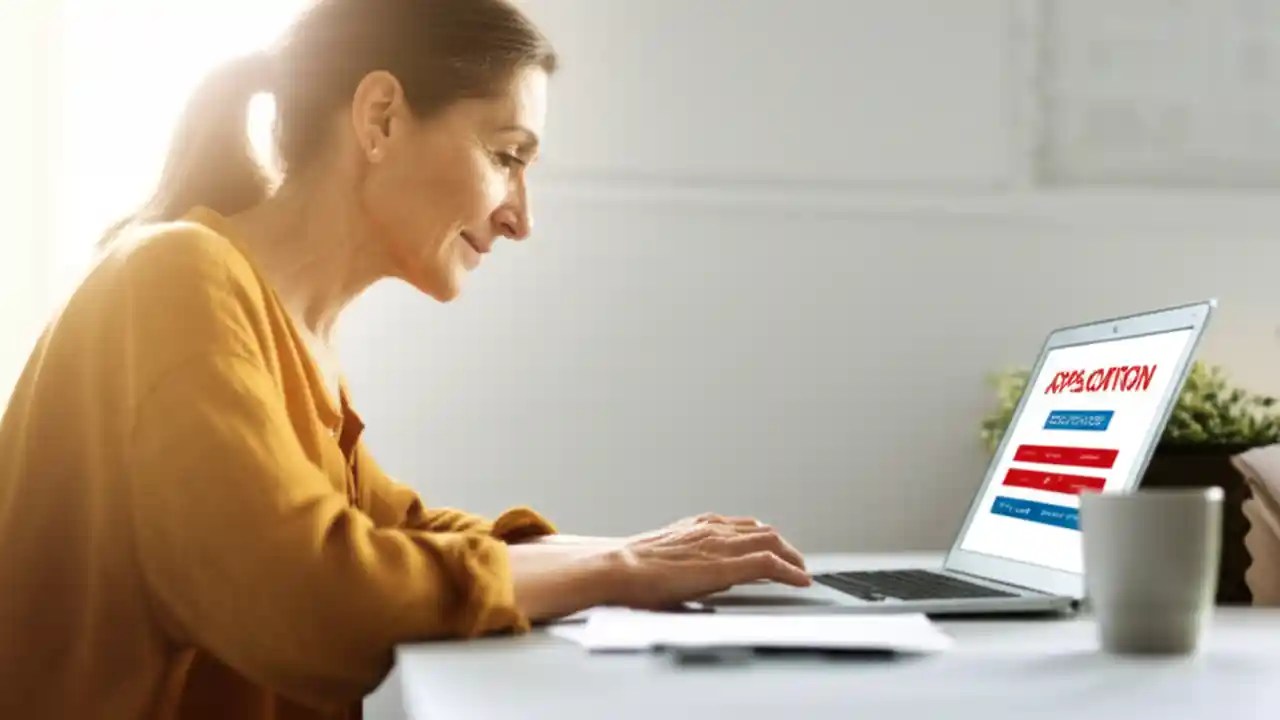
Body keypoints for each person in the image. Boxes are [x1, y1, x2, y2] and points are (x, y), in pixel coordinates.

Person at [0, 1, 811, 718]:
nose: (520, 218)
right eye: (507, 156)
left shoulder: (289, 327)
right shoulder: (176, 277)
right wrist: (621, 566)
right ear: (381, 117)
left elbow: (396, 532)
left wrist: (654, 554)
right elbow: (312, 594)